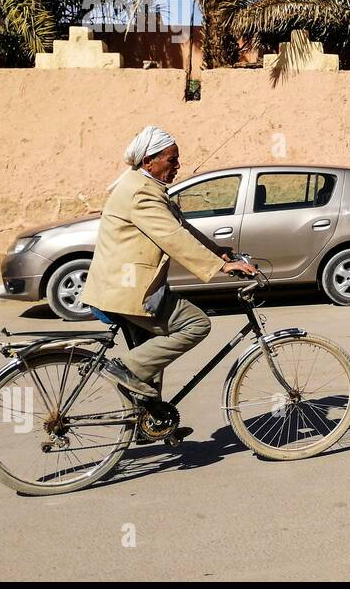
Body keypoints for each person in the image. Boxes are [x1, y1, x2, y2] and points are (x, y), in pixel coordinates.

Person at [81, 126, 256, 438]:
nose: (177, 166)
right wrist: (219, 267)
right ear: (149, 161)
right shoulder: (141, 193)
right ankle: (124, 368)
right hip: (128, 289)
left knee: (152, 354)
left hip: (124, 286)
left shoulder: (146, 186)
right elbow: (172, 238)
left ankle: (147, 424)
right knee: (196, 325)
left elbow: (182, 227)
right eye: (172, 160)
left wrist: (222, 253)